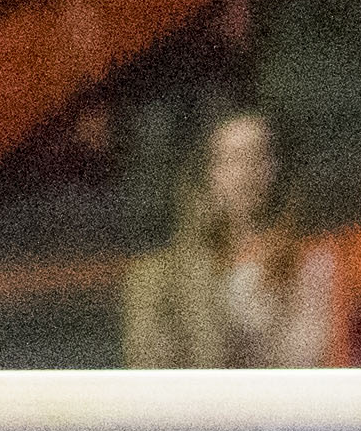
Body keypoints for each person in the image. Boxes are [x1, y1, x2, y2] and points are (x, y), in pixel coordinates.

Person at [118, 109, 335, 370]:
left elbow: (304, 365)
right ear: (207, 172)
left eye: (259, 156)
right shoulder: (158, 277)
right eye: (233, 159)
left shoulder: (310, 261)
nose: (247, 172)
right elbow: (152, 373)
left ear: (278, 167)